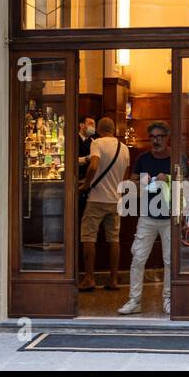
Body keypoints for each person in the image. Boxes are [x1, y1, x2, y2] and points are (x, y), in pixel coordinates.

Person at [119, 120, 172, 316]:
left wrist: (167, 179)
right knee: (138, 258)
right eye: (153, 137)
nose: (156, 140)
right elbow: (131, 181)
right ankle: (135, 301)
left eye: (160, 137)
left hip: (170, 217)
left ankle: (169, 299)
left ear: (167, 138)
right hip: (147, 216)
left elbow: (187, 182)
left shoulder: (176, 158)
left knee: (170, 261)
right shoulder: (143, 158)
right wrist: (148, 179)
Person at [77, 117, 129, 292]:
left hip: (96, 199)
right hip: (115, 200)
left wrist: (85, 184)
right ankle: (113, 279)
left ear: (98, 129)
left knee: (88, 237)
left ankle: (89, 278)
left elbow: (93, 166)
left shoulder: (97, 143)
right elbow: (125, 176)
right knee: (114, 239)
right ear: (113, 129)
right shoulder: (124, 148)